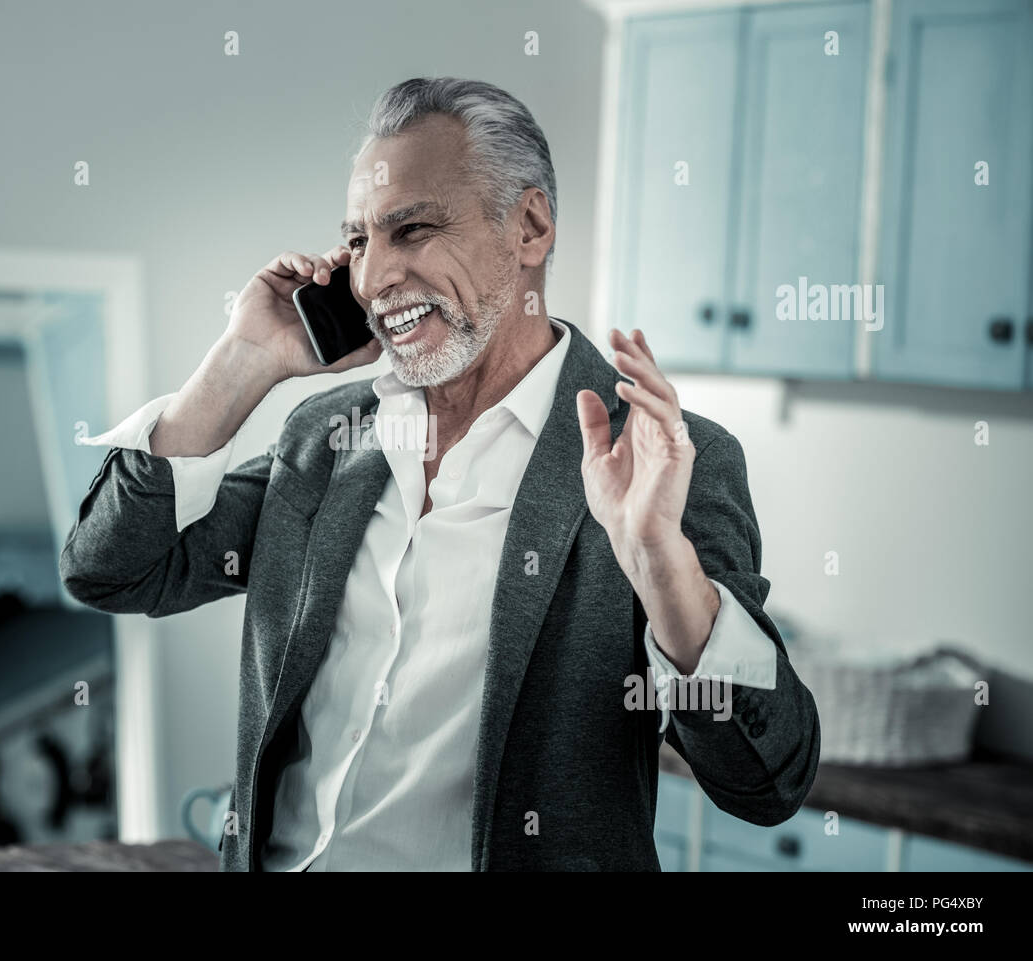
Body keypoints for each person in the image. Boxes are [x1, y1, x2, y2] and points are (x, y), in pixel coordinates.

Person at [59, 77, 820, 871]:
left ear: (529, 226)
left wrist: (665, 567)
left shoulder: (660, 459)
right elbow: (110, 569)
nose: (372, 276)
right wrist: (241, 365)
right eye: (356, 241)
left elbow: (769, 784)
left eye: (411, 230)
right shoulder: (327, 439)